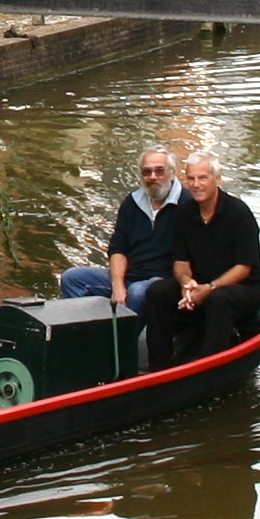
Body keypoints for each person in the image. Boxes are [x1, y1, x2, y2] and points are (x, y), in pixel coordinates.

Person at [62, 145, 182, 359]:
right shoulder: (132, 203)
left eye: (159, 171)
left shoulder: (187, 205)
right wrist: (118, 285)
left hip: (162, 282)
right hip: (131, 275)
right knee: (73, 278)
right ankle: (85, 341)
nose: (153, 177)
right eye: (147, 171)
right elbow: (118, 247)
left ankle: (118, 353)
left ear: (172, 173)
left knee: (138, 292)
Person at [163, 150, 260, 366]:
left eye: (202, 178)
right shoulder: (183, 214)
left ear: (216, 179)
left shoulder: (239, 213)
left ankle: (210, 365)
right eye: (191, 179)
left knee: (218, 299)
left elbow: (244, 268)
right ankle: (159, 363)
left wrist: (210, 288)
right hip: (201, 283)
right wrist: (186, 283)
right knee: (157, 293)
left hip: (244, 289)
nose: (196, 184)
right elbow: (180, 262)